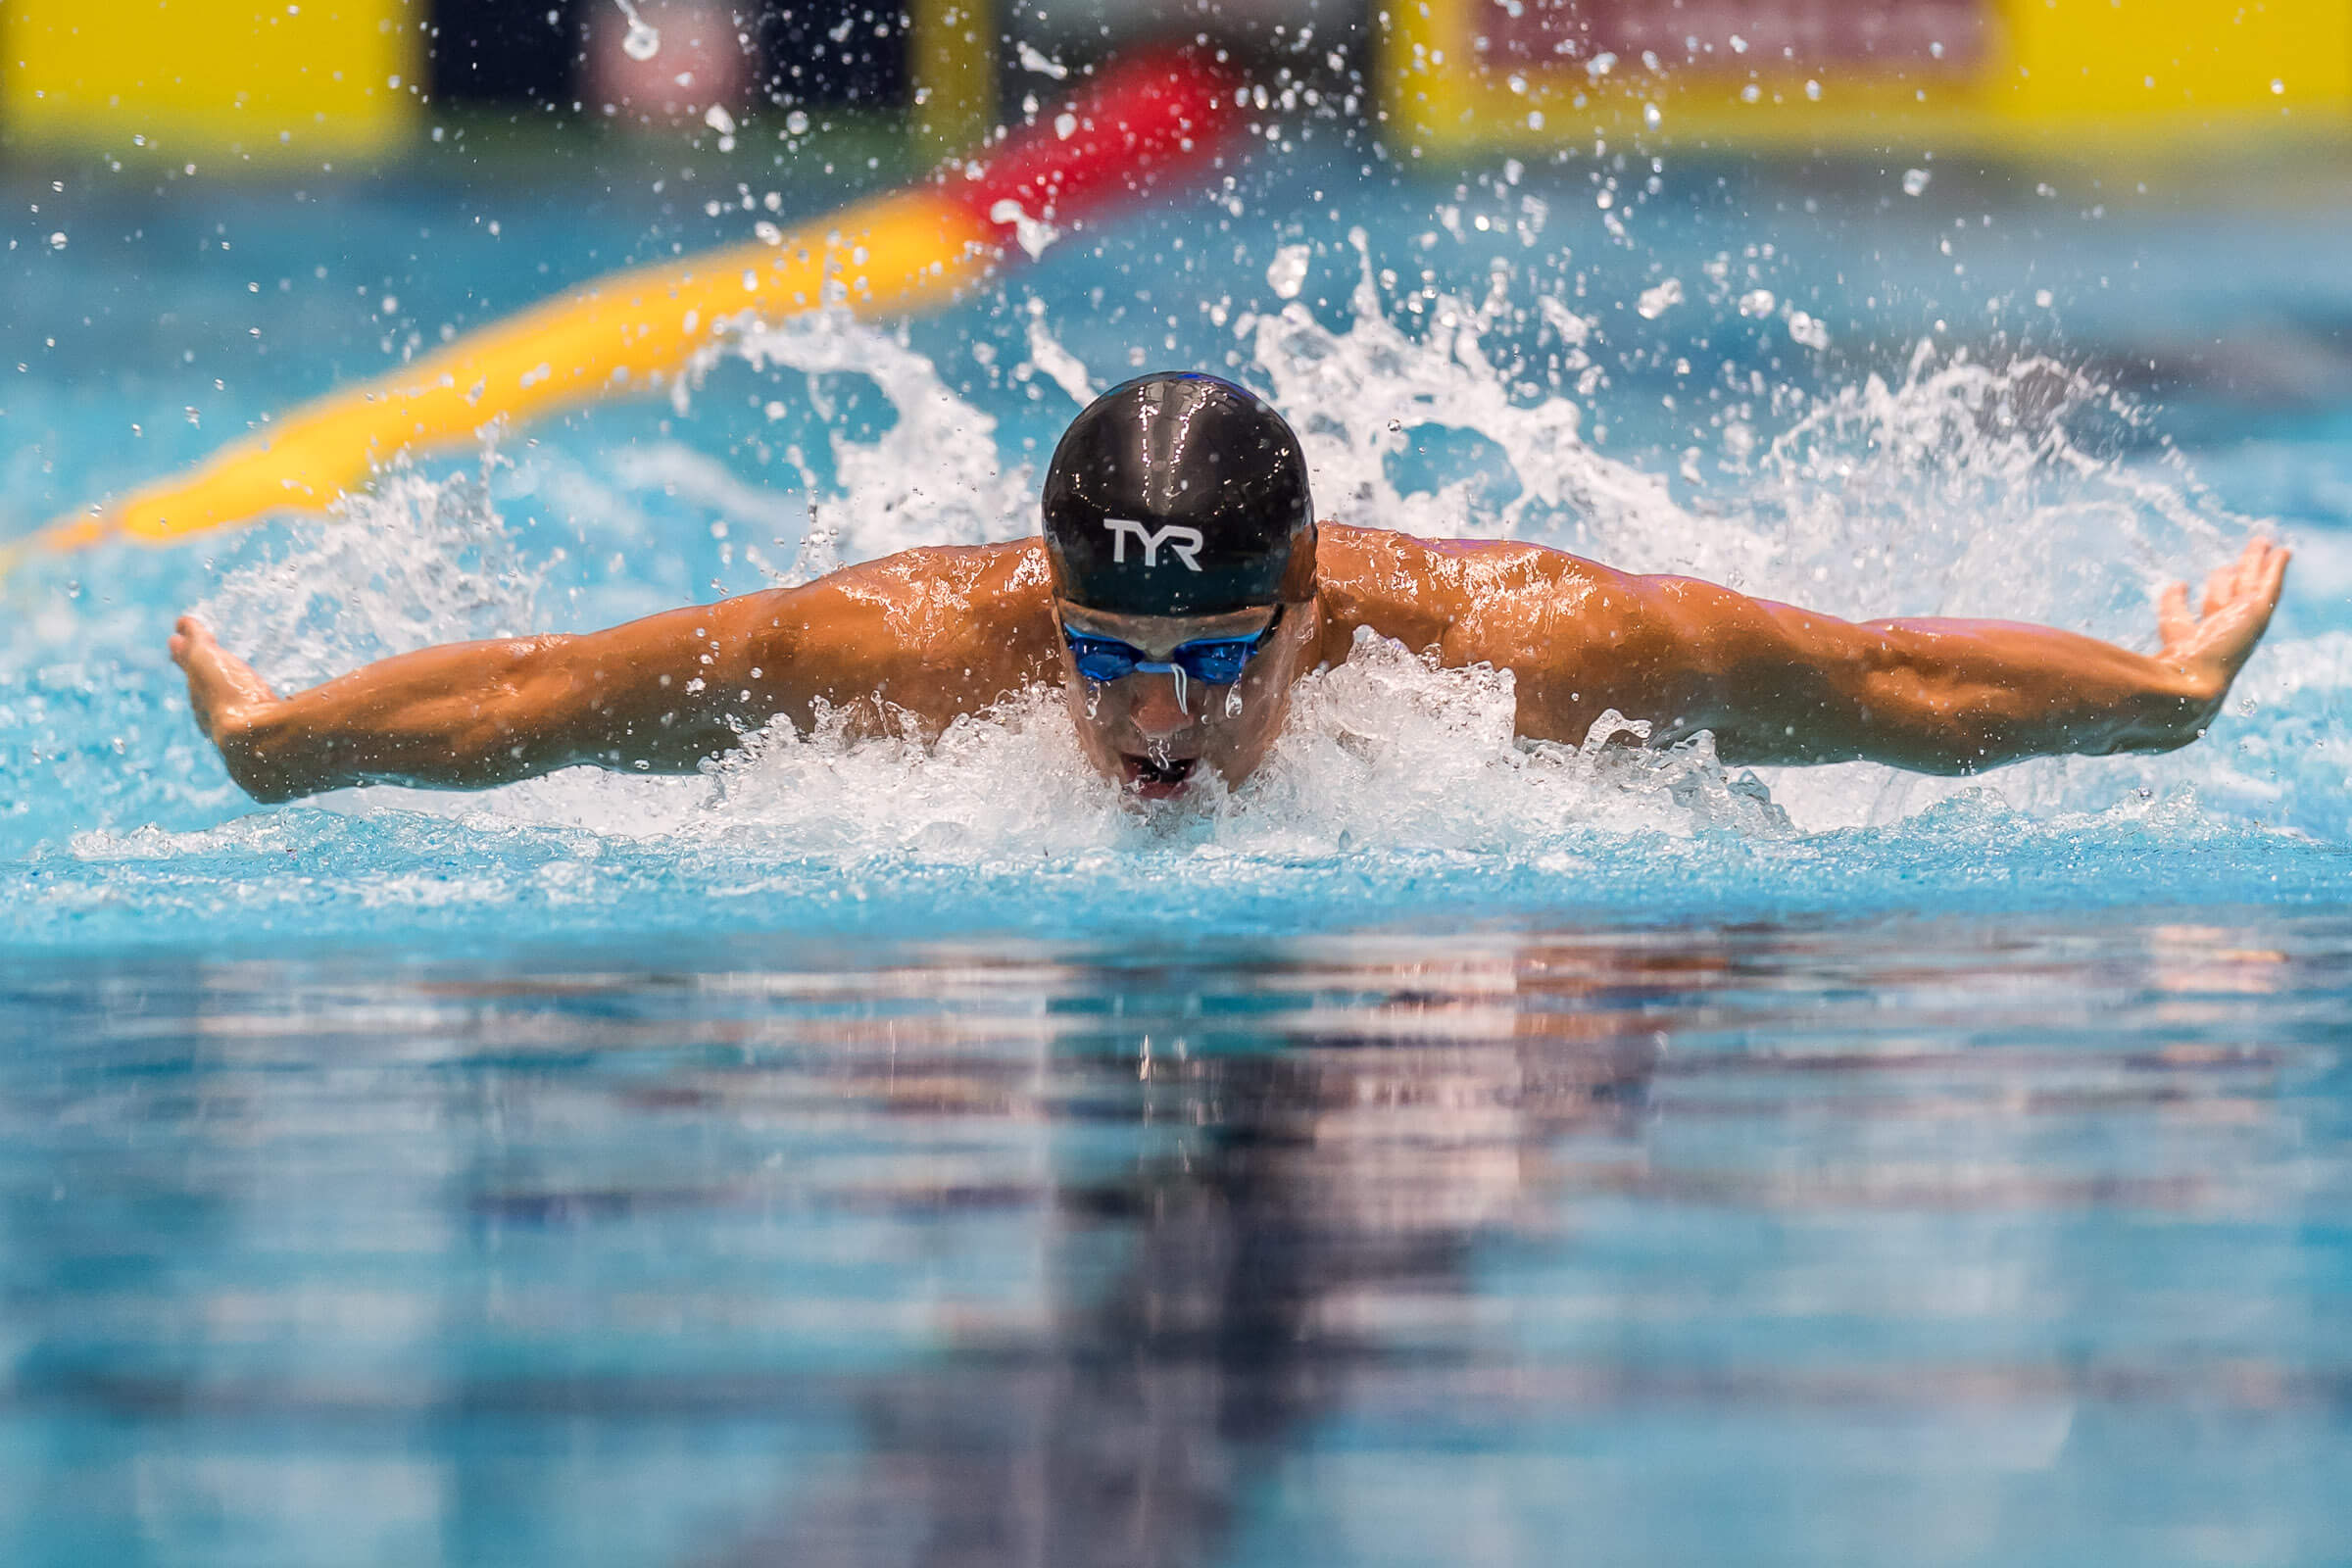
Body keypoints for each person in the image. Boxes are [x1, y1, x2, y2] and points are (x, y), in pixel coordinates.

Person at [170, 371, 2290, 806]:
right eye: (1103, 657)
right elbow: (558, 690)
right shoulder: (907, 653)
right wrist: (298, 743)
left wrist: (2151, 695)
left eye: (1205, 659)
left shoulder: (1526, 653)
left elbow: (1881, 675)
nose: (1150, 722)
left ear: (1305, 611)